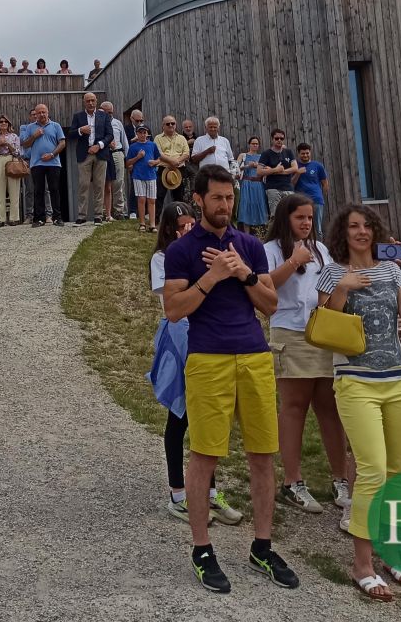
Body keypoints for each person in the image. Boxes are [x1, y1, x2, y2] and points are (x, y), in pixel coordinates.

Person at [162, 165, 297, 595]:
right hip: (207, 360)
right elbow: (173, 310)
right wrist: (212, 276)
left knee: (262, 454)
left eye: (230, 198)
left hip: (254, 356)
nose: (225, 206)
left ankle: (262, 546)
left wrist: (242, 273)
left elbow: (271, 305)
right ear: (198, 199)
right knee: (205, 455)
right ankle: (202, 549)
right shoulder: (182, 250)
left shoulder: (249, 246)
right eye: (217, 198)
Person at [316, 205, 401, 601]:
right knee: (373, 470)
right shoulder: (332, 272)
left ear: (376, 231)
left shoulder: (392, 270)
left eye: (367, 226)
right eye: (353, 227)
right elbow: (327, 324)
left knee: (400, 471)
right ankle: (362, 563)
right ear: (343, 234)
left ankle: (393, 553)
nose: (361, 232)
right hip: (355, 380)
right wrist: (344, 287)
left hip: (399, 378)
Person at [150, 203, 242, 526]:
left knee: (207, 417)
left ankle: (209, 493)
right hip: (178, 339)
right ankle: (178, 494)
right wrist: (185, 252)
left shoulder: (205, 253)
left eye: (193, 225)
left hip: (204, 337)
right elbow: (174, 299)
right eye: (183, 226)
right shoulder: (163, 258)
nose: (190, 230)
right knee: (180, 415)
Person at [265, 194, 348, 515]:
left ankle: (340, 479)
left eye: (310, 218)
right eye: (300, 217)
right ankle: (293, 482)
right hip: (289, 331)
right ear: (285, 219)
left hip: (323, 332)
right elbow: (265, 286)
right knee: (294, 407)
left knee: (330, 407)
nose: (306, 223)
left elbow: (330, 288)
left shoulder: (321, 249)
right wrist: (294, 261)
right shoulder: (270, 250)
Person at [67, 92, 113, 225]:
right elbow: (71, 134)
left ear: (96, 101)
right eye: (88, 101)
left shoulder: (104, 116)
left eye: (93, 100)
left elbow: (110, 135)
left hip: (100, 153)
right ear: (84, 102)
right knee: (83, 185)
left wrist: (99, 145)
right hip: (84, 154)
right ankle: (82, 216)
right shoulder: (78, 116)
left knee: (99, 185)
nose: (91, 103)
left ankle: (98, 215)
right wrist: (81, 130)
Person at [22, 104, 65, 228]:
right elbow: (25, 144)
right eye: (39, 112)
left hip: (53, 162)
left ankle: (57, 217)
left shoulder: (56, 126)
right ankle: (39, 218)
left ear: (48, 112)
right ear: (35, 114)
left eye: (43, 112)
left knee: (54, 190)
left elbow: (62, 143)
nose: (41, 114)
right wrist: (34, 136)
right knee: (38, 191)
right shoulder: (30, 128)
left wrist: (52, 154)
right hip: (37, 163)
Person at [0, 116, 22, 227]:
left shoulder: (14, 136)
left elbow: (18, 152)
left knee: (14, 189)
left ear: (8, 124)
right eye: (1, 122)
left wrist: (7, 144)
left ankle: (14, 218)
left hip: (11, 159)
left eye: (5, 121)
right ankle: (1, 219)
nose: (3, 123)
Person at [153, 115, 189, 218]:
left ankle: (179, 219)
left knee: (179, 197)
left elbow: (186, 153)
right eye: (167, 124)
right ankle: (155, 220)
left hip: (179, 169)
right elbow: (158, 153)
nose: (170, 125)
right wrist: (172, 161)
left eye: (172, 123)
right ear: (163, 126)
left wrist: (177, 161)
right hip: (163, 169)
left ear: (176, 125)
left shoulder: (182, 138)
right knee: (159, 195)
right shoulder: (158, 138)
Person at [127, 124, 161, 232]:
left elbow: (159, 159)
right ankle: (142, 223)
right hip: (138, 175)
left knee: (151, 200)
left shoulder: (152, 145)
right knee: (141, 199)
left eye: (144, 132)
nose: (142, 134)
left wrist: (154, 162)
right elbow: (128, 163)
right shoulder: (133, 147)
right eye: (140, 132)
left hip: (151, 175)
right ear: (137, 134)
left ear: (147, 133)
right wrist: (138, 157)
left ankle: (152, 224)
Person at [257, 129, 297, 218]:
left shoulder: (288, 152)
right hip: (273, 188)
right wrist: (275, 170)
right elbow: (259, 171)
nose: (279, 140)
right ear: (272, 139)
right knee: (275, 216)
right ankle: (275, 232)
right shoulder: (266, 154)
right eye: (277, 138)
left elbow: (295, 168)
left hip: (288, 188)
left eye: (282, 138)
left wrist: (282, 172)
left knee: (291, 215)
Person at [101, 101, 130, 221]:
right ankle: (103, 212)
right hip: (103, 153)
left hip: (117, 153)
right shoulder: (98, 123)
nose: (109, 115)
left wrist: (127, 159)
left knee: (118, 182)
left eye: (111, 112)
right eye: (107, 113)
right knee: (103, 183)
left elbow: (124, 140)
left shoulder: (117, 123)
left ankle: (119, 211)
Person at [293, 143, 328, 236]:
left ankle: (318, 249)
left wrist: (320, 195)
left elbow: (325, 183)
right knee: (302, 227)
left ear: (310, 153)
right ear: (298, 154)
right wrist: (298, 173)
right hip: (300, 202)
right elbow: (291, 184)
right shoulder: (295, 166)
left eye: (307, 153)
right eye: (303, 153)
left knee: (317, 228)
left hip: (316, 200)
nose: (305, 155)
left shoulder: (318, 166)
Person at [236, 137, 268, 232]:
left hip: (258, 184)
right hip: (246, 183)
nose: (255, 145)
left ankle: (260, 234)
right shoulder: (243, 155)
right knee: (246, 206)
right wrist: (248, 166)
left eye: (256, 144)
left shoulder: (262, 156)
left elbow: (267, 169)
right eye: (253, 143)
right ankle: (247, 234)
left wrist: (258, 166)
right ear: (249, 144)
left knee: (259, 205)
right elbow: (236, 168)